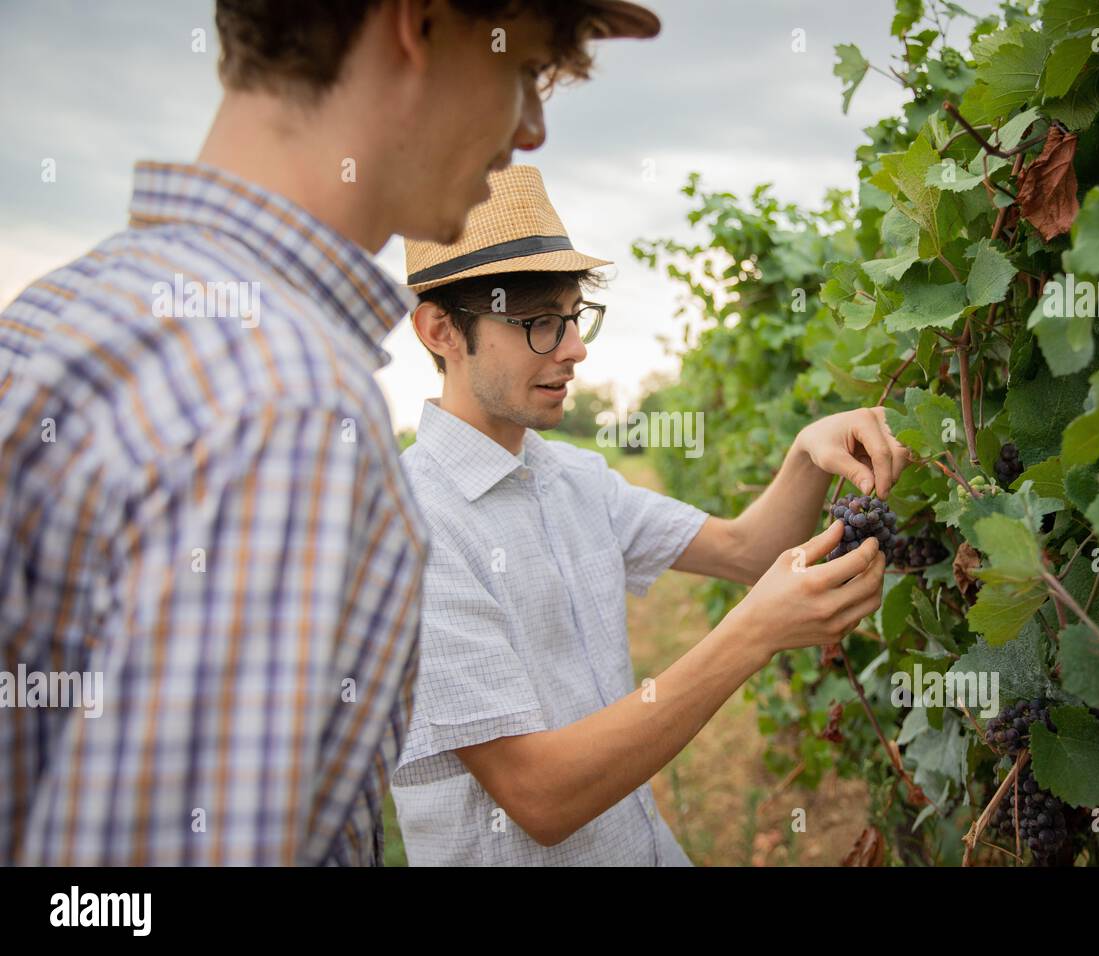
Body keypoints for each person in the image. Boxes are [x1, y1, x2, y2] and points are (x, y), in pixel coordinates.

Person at [0, 0, 662, 866]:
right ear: (414, 25)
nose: (530, 129)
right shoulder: (290, 405)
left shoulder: (50, 313)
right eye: (520, 70)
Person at [392, 164, 910, 865]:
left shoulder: (575, 479)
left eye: (575, 317)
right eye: (541, 323)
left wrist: (806, 456)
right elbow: (540, 795)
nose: (575, 348)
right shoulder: (410, 529)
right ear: (440, 332)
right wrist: (750, 634)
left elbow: (746, 552)